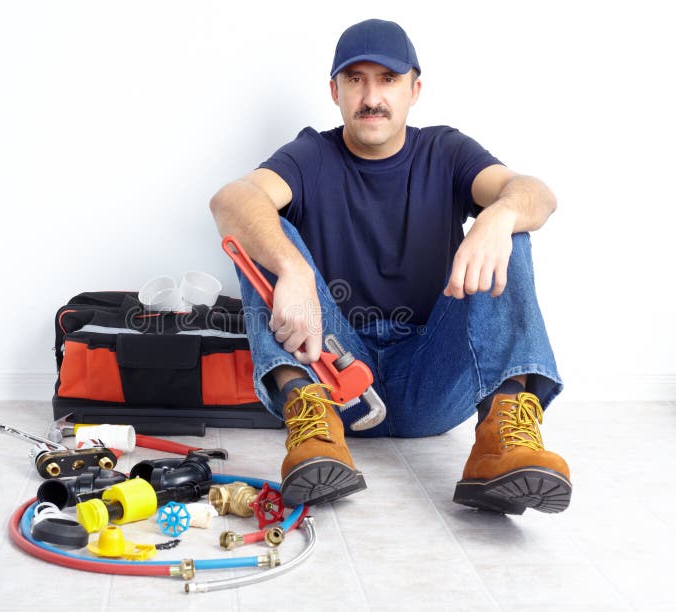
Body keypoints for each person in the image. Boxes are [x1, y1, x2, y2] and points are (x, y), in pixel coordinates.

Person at [209, 18, 571, 515]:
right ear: (334, 90)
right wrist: (291, 268)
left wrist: (500, 215)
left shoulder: (446, 152)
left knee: (510, 230)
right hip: (335, 377)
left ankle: (503, 441)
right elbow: (231, 199)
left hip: (432, 376)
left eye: (388, 79)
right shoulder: (312, 154)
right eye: (356, 79)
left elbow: (538, 195)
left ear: (414, 89)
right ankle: (309, 425)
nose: (371, 96)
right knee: (262, 232)